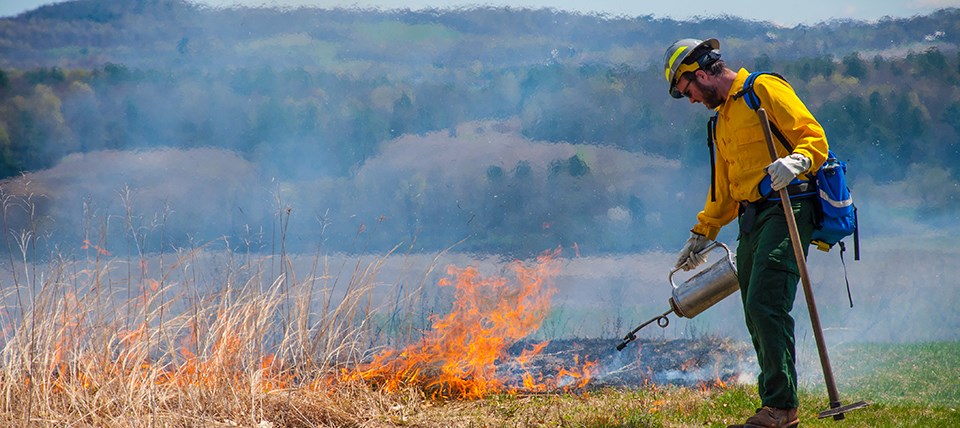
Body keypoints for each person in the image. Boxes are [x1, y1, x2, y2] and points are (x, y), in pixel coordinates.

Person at [664, 38, 829, 428]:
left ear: (701, 74)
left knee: (765, 303)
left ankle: (782, 409)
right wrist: (702, 233)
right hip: (752, 219)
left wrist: (798, 160)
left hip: (789, 205)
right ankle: (775, 404)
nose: (691, 100)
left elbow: (814, 135)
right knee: (754, 312)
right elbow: (724, 189)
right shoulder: (720, 121)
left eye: (688, 91)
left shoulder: (763, 90)